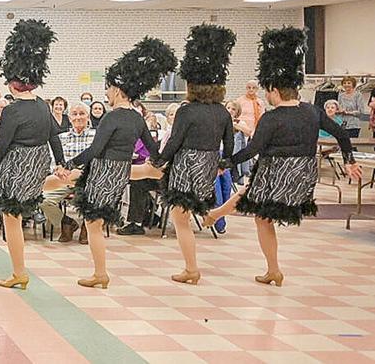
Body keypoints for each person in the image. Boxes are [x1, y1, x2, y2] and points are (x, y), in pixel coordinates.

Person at [205, 27, 361, 287]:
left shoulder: (272, 117)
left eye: (267, 91)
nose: (266, 95)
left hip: (275, 172)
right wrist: (350, 161)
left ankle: (270, 266)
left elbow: (252, 150)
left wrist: (226, 163)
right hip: (303, 175)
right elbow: (342, 136)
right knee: (251, 197)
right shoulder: (312, 111)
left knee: (259, 212)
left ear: (275, 90)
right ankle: (222, 218)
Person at [65, 37, 176, 289]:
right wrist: (158, 163)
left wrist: (70, 163)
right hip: (121, 174)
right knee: (97, 224)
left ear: (117, 89)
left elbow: (95, 150)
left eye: (108, 88)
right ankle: (99, 272)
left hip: (103, 174)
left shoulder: (111, 118)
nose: (105, 93)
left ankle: (100, 273)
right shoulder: (137, 119)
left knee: (93, 225)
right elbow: (153, 149)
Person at [0, 19, 63, 290]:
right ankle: (19, 270)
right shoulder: (42, 106)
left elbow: (2, 145)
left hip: (16, 167)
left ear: (12, 84)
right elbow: (53, 136)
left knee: (11, 221)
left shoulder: (12, 110)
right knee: (18, 216)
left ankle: (19, 271)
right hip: (38, 164)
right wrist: (60, 162)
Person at [151, 24, 237, 285]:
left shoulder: (187, 111)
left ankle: (191, 267)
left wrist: (159, 160)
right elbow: (229, 143)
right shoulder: (223, 111)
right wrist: (224, 162)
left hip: (186, 165)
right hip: (209, 164)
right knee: (187, 213)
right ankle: (210, 222)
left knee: (180, 218)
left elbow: (175, 141)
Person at [41, 102, 93, 243]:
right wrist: (59, 170)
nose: (78, 117)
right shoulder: (60, 138)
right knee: (43, 201)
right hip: (65, 180)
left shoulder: (97, 136)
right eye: (74, 114)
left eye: (82, 113)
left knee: (96, 197)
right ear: (69, 118)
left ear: (88, 116)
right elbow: (53, 161)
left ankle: (87, 227)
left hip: (89, 181)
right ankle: (67, 223)